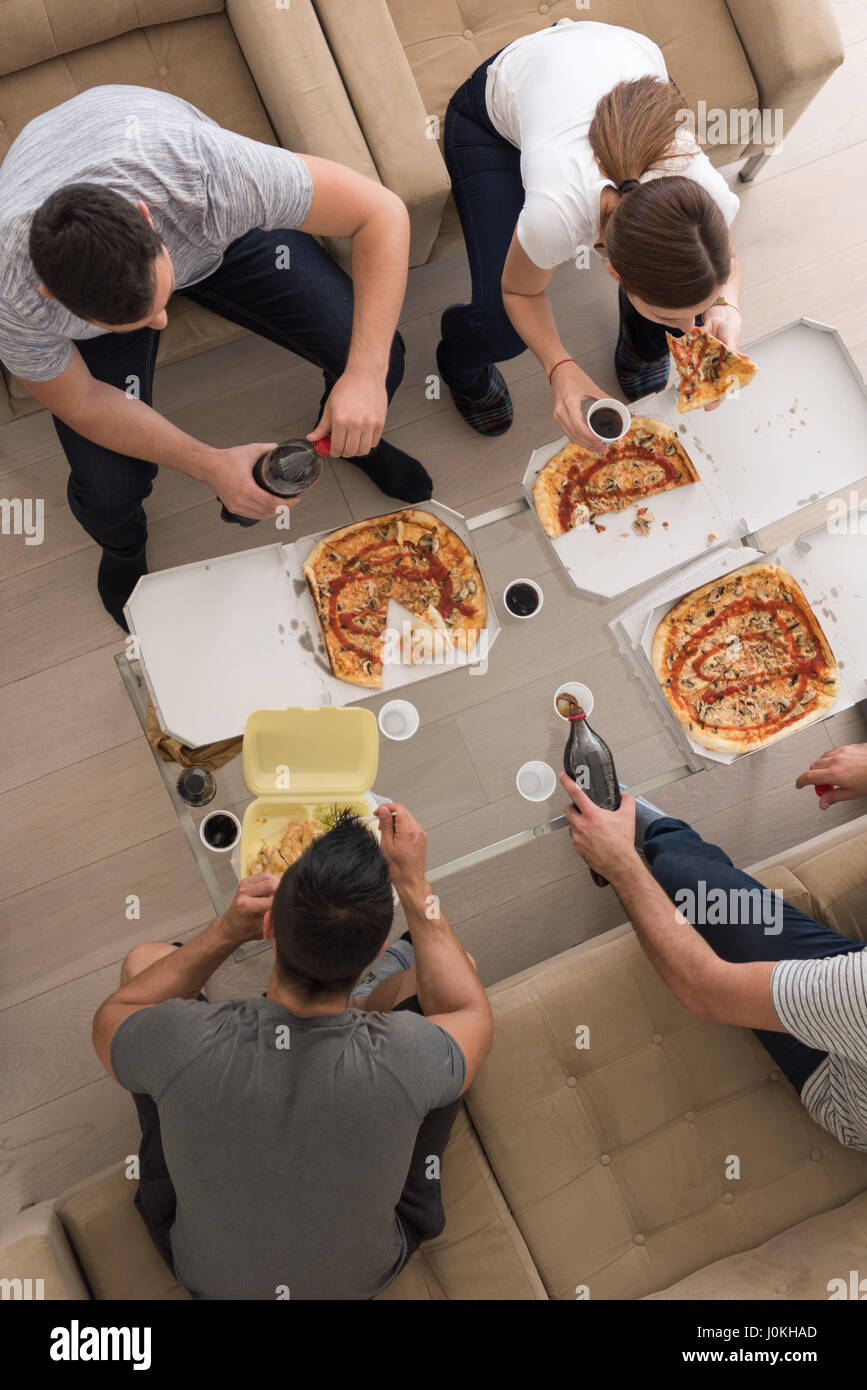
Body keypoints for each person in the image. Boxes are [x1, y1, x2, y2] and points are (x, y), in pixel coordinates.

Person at [0, 85, 432, 627]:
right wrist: (210, 466)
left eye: (161, 302)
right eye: (140, 320)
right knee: (111, 491)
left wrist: (364, 376)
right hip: (105, 242)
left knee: (380, 353)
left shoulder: (207, 173)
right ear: (53, 298)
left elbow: (382, 213)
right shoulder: (12, 293)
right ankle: (125, 549)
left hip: (207, 235)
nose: (164, 320)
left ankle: (349, 438)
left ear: (144, 216)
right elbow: (83, 401)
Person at [91, 807, 493, 1300]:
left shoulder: (184, 1040)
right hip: (358, 1281)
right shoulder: (408, 1055)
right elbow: (468, 1009)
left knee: (145, 962)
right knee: (452, 974)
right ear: (370, 953)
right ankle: (362, 997)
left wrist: (225, 931)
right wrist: (412, 883)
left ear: (267, 929)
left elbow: (114, 1016)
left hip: (208, 1278)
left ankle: (355, 997)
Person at [437, 18, 743, 445]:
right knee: (500, 327)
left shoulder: (705, 192)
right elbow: (520, 292)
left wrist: (726, 306)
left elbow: (722, 258)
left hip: (622, 66)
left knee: (678, 308)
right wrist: (558, 366)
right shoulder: (559, 212)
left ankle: (640, 347)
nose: (693, 326)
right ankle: (458, 364)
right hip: (494, 114)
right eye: (680, 317)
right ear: (613, 269)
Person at [559, 770, 867, 1152]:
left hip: (841, 1073)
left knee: (694, 886)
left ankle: (658, 834)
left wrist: (620, 864)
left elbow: (705, 989)